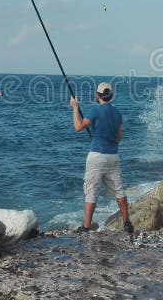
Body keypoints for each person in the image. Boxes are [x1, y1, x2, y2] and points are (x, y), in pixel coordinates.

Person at [69, 82, 134, 233]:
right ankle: (127, 223)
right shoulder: (117, 114)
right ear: (111, 96)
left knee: (91, 191)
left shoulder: (95, 111)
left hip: (96, 156)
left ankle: (86, 227)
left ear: (97, 95)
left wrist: (74, 108)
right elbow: (119, 137)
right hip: (113, 157)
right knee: (119, 191)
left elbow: (78, 127)